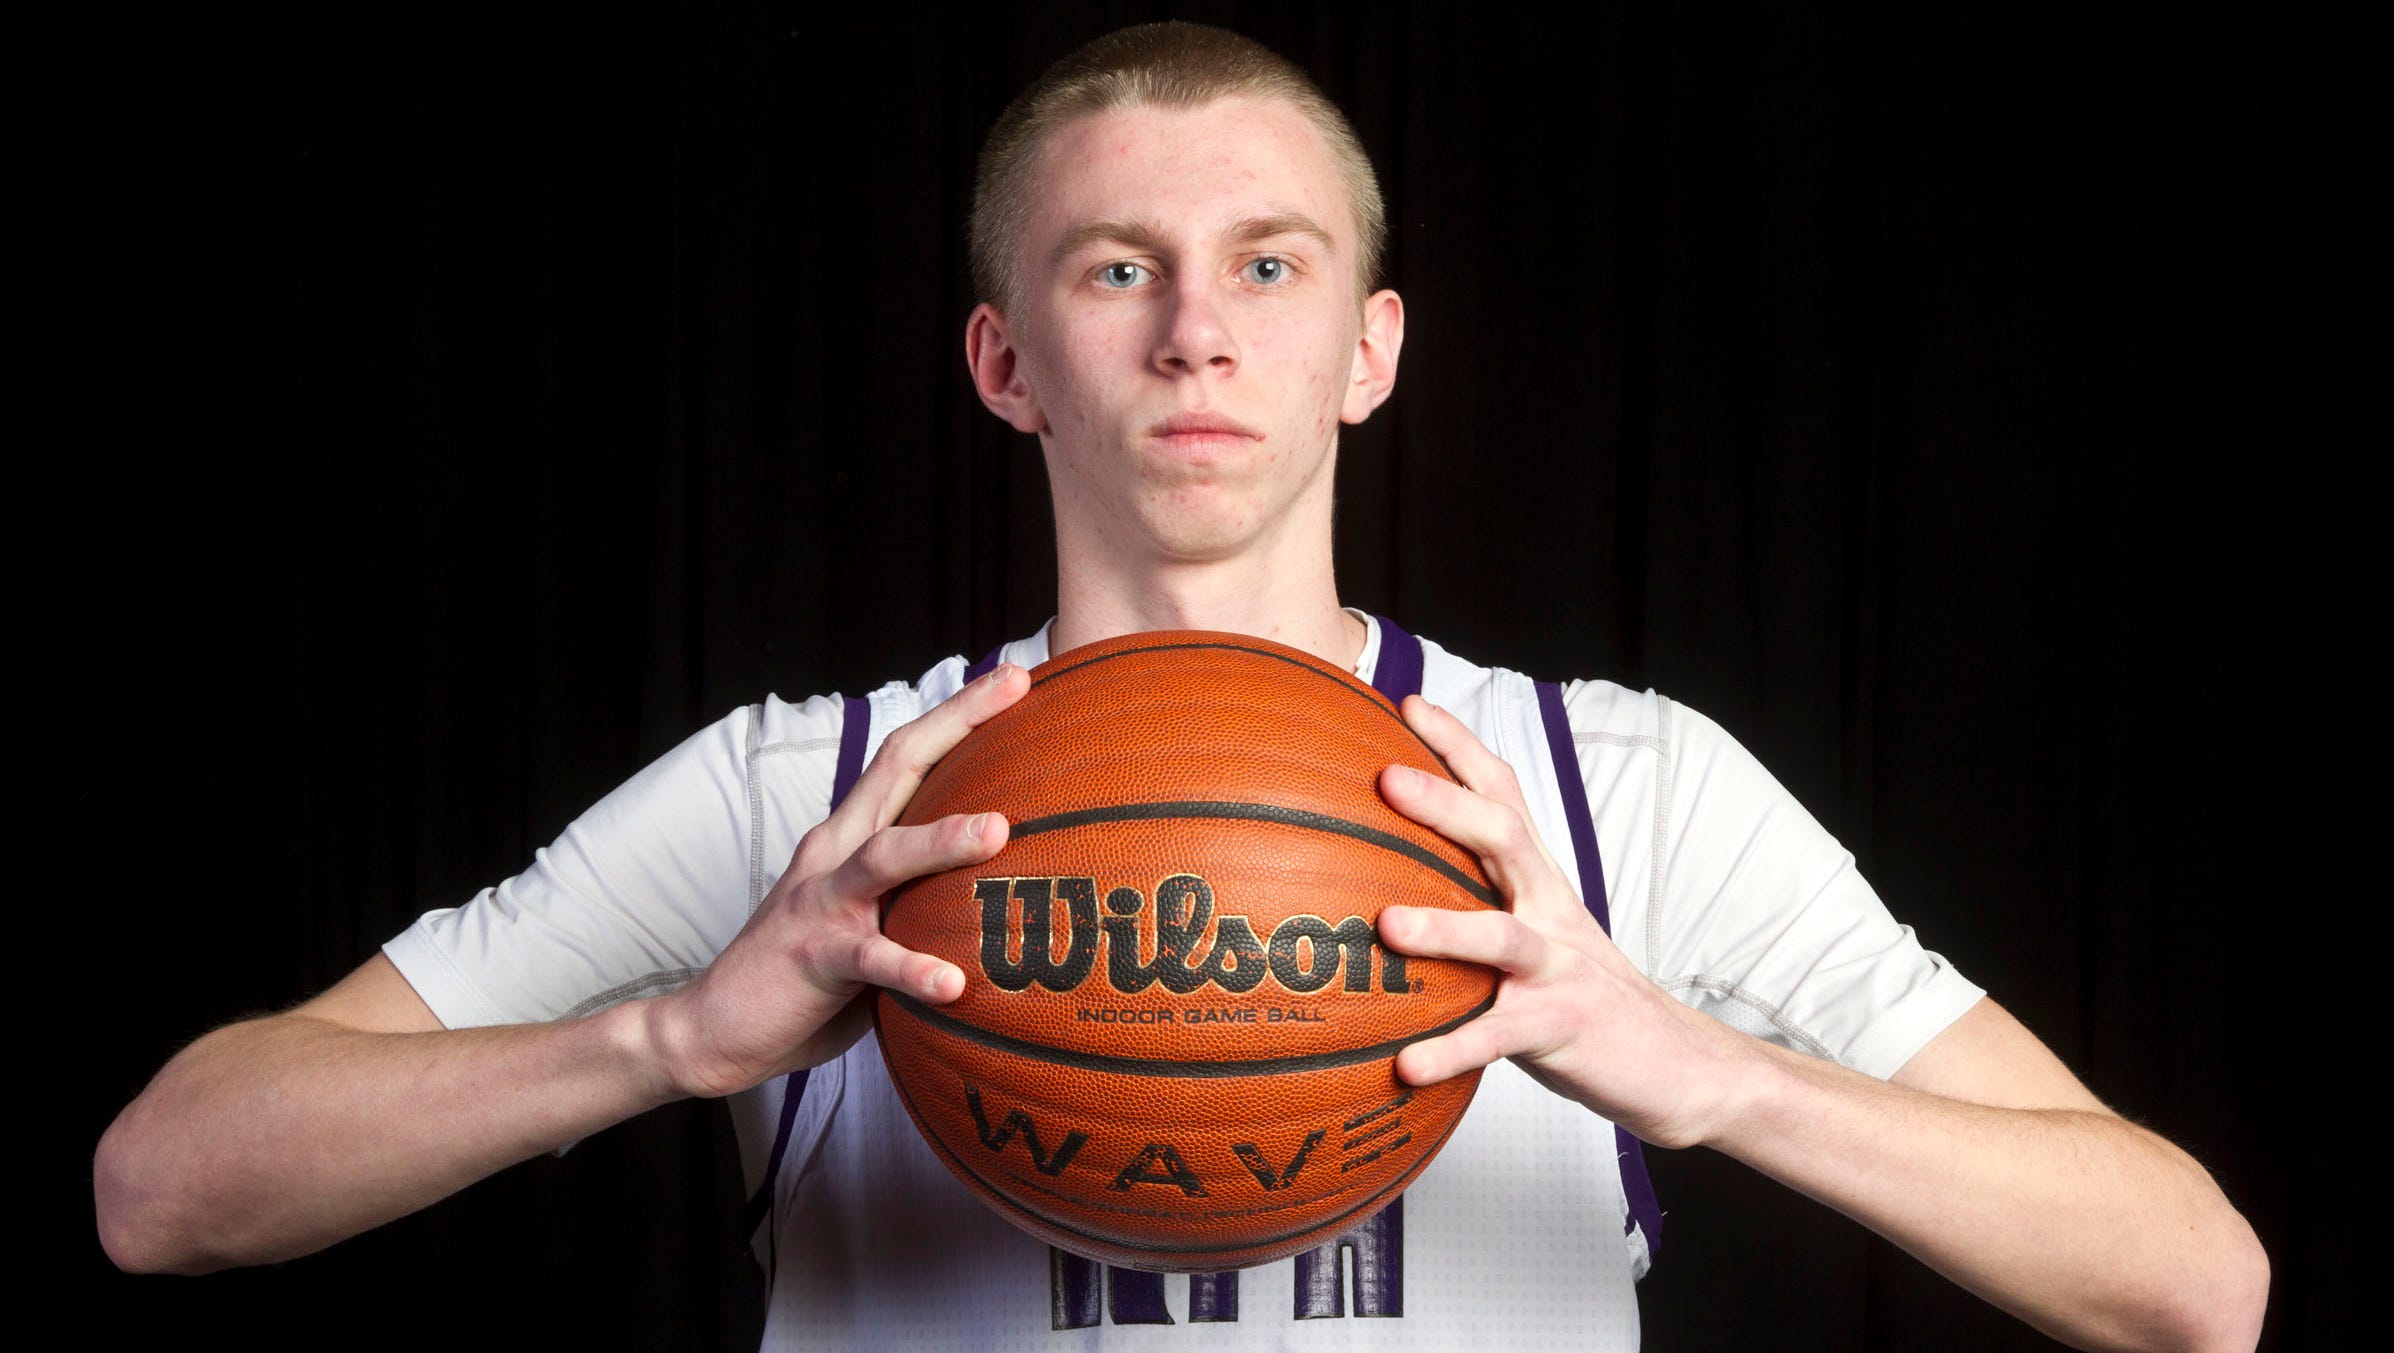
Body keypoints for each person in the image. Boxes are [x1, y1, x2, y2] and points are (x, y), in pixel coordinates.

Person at [94, 20, 2267, 1350]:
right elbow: (165, 1185)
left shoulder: (1621, 793)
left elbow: (2194, 1279)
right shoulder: (822, 794)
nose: (1196, 332)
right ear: (1008, 360)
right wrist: (668, 1035)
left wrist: (1699, 1070)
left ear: (1370, 348)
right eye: (1114, 268)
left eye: (1268, 264)